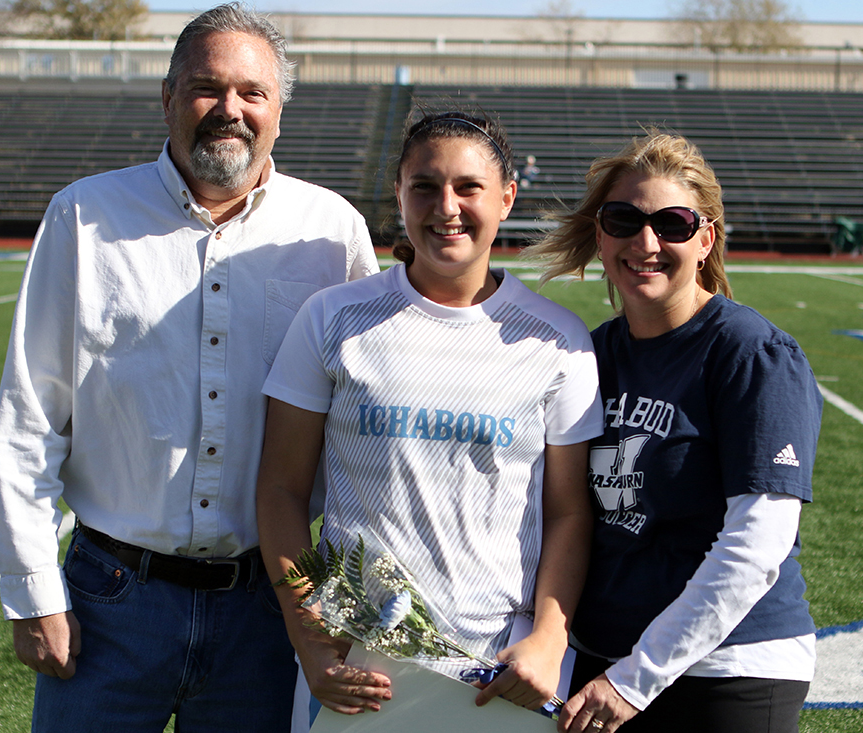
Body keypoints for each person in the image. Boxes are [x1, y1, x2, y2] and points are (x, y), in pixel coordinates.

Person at [0, 4, 378, 731]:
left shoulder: (333, 232)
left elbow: (365, 422)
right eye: (206, 87)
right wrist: (33, 590)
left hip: (268, 606)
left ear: (278, 113)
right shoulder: (84, 217)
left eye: (252, 93)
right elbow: (29, 417)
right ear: (167, 97)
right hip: (111, 600)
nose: (229, 109)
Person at [257, 111, 603, 731]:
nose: (447, 206)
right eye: (425, 186)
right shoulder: (332, 318)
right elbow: (280, 491)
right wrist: (310, 637)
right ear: (399, 194)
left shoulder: (558, 341)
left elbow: (570, 512)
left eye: (468, 187)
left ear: (506, 198)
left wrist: (549, 639)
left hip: (502, 670)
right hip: (359, 670)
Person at [530, 131, 821, 733]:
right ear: (600, 234)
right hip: (602, 661)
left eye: (672, 223)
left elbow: (758, 543)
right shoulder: (591, 353)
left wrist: (636, 678)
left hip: (727, 670)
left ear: (706, 238)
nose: (646, 242)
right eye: (623, 219)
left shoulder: (751, 352)